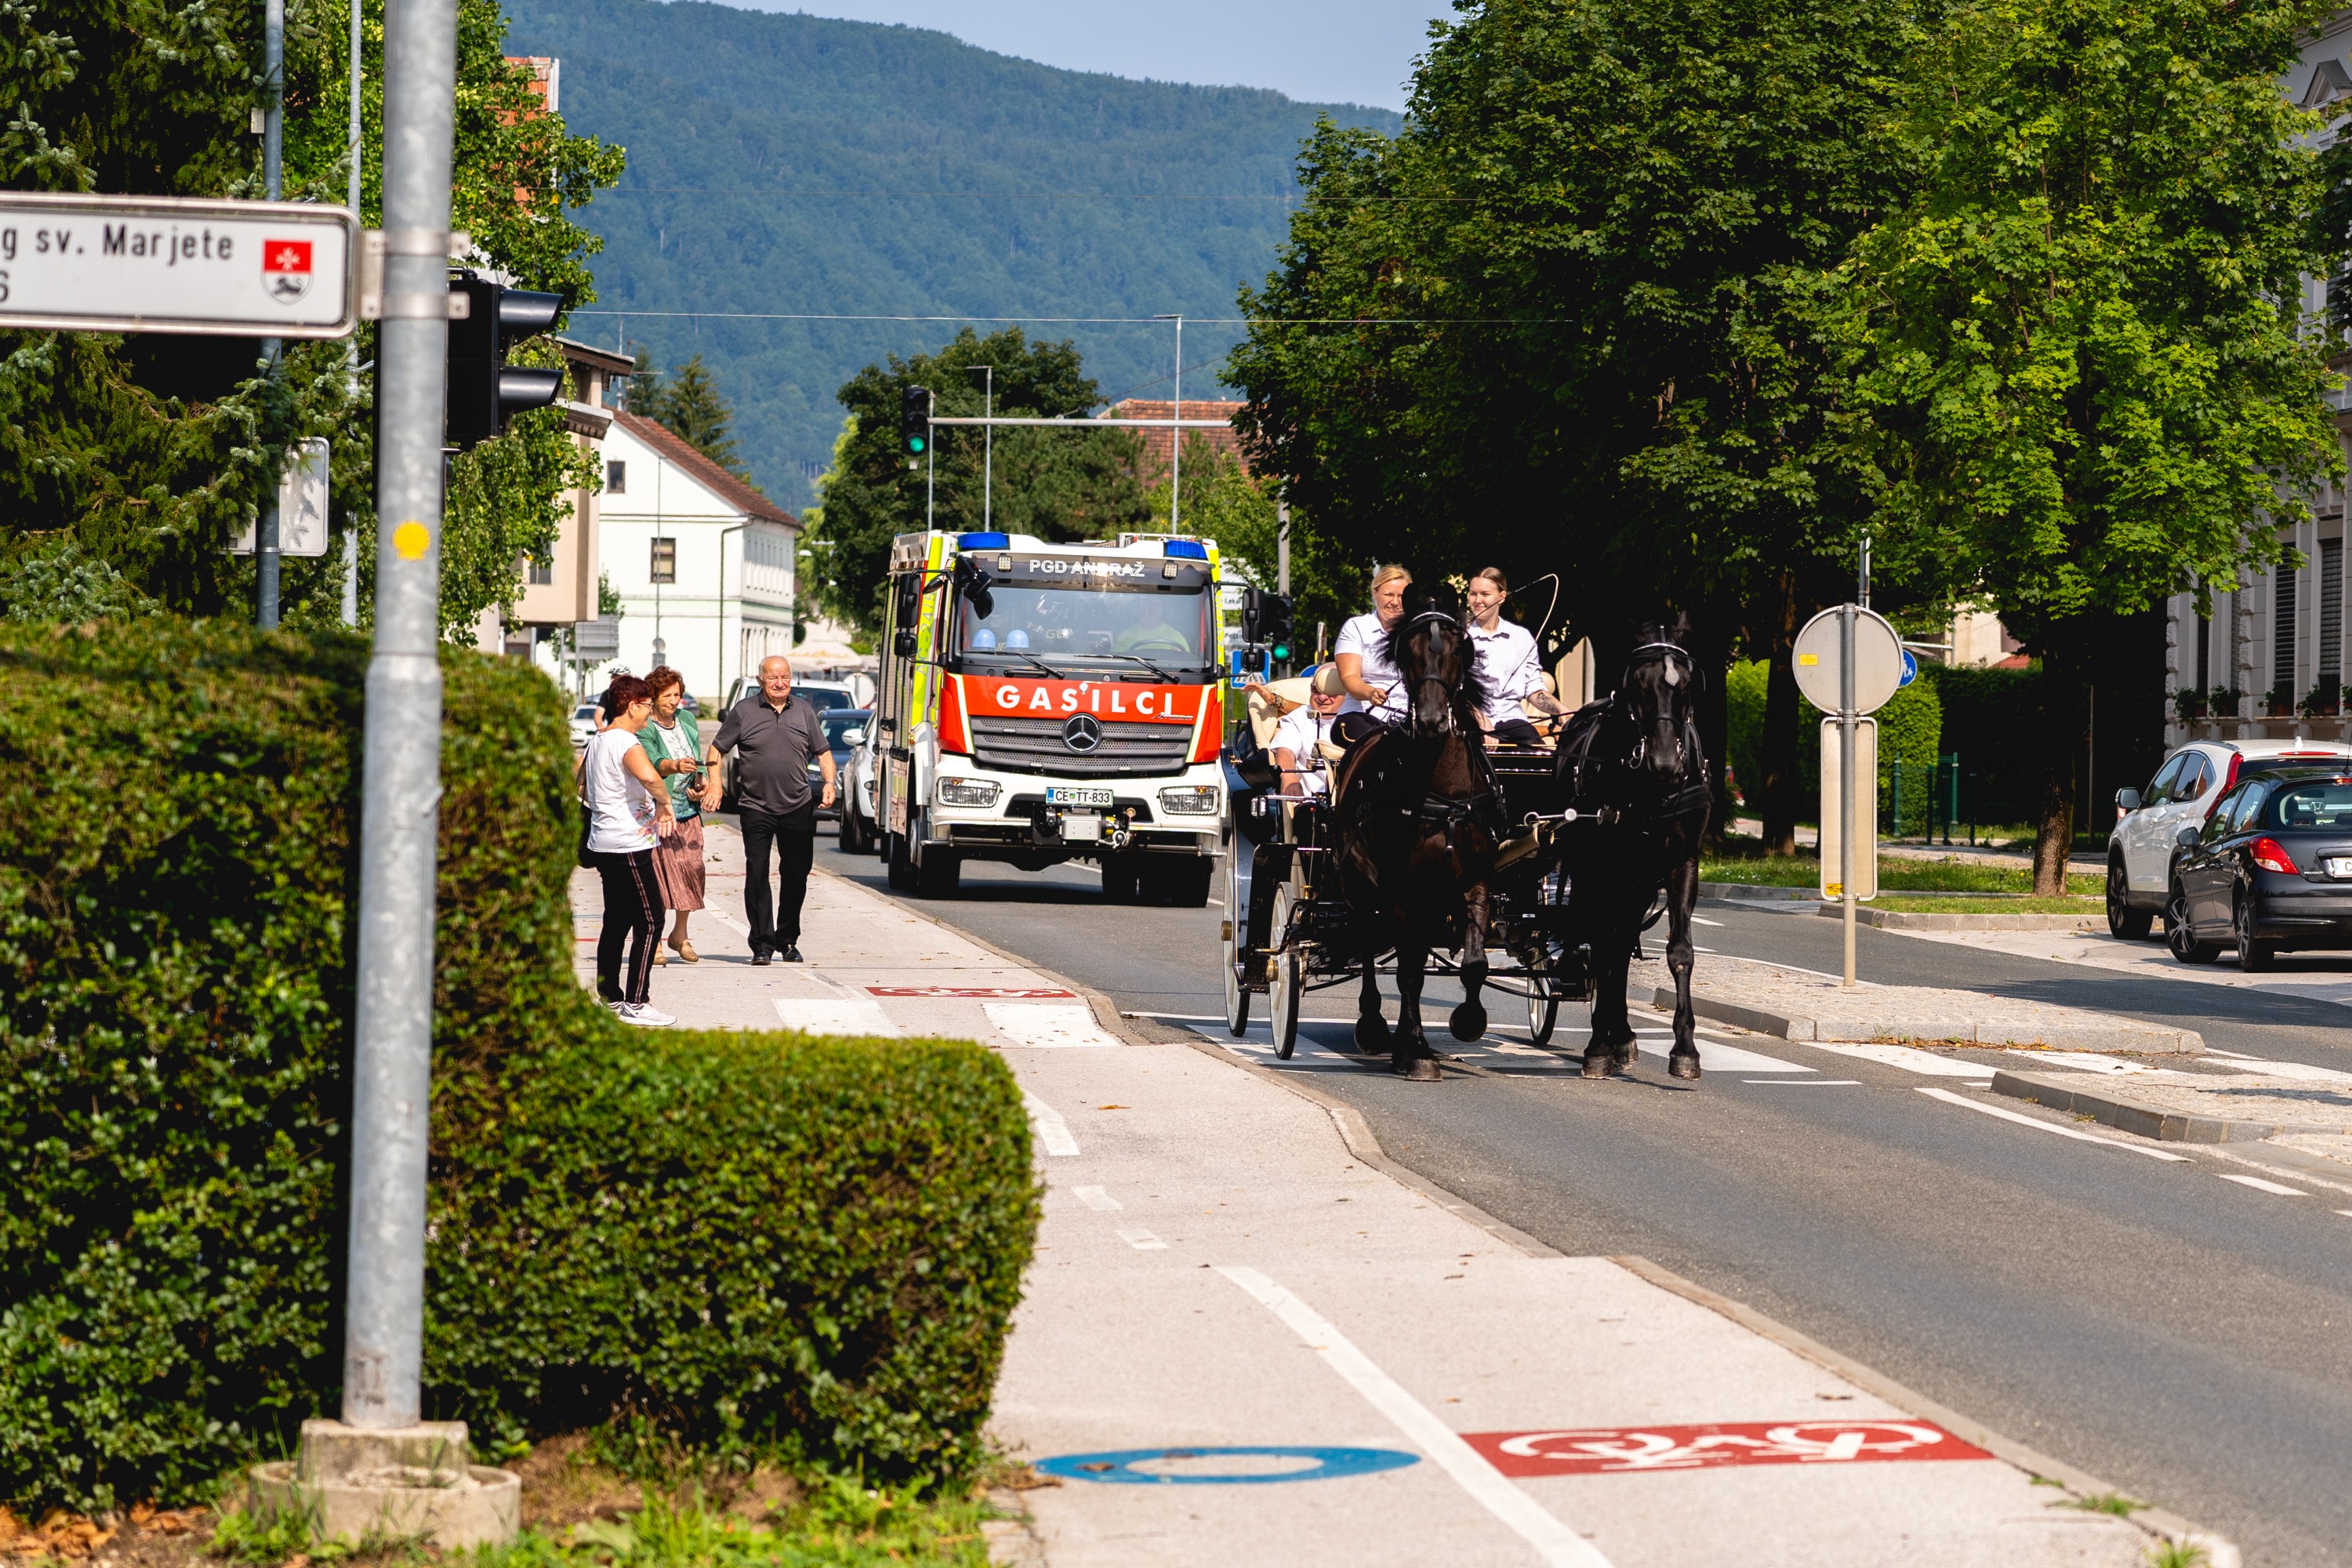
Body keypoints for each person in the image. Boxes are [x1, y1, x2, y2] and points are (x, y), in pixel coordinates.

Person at [706, 655, 835, 964]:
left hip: (797, 805)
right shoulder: (744, 711)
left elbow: (823, 752)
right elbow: (716, 749)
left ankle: (787, 940)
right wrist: (715, 785)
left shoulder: (803, 710)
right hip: (756, 806)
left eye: (785, 677)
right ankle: (762, 945)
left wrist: (830, 782)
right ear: (760, 680)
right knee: (757, 873)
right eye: (773, 677)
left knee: (796, 874)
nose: (780, 683)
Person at [581, 673, 677, 1025]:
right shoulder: (625, 741)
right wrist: (665, 804)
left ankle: (609, 997)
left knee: (616, 920)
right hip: (628, 843)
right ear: (632, 706)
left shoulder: (598, 739)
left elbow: (582, 783)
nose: (650, 712)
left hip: (604, 840)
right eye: (648, 705)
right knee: (652, 919)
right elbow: (650, 777)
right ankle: (637, 1001)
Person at [638, 666, 713, 964]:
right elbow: (652, 760)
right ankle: (654, 940)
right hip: (659, 811)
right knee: (659, 876)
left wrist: (701, 783)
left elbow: (699, 760)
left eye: (677, 695)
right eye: (667, 695)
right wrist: (675, 765)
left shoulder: (688, 720)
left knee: (692, 870)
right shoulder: (644, 725)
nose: (673, 701)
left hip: (688, 811)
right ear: (654, 697)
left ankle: (680, 934)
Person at [1465, 567, 1565, 747]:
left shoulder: (1521, 637)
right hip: (1471, 721)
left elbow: (1533, 689)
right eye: (1473, 594)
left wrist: (1562, 710)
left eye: (1485, 594)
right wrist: (1481, 720)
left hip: (1513, 721)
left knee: (1535, 750)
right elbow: (1455, 691)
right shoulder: (1459, 637)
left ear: (1501, 597)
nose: (1477, 600)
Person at [1331, 564, 1412, 746]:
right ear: (1375, 593)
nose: (1395, 602)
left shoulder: (1418, 632)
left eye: (1401, 596)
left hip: (1410, 716)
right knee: (1384, 743)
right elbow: (1349, 678)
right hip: (1362, 714)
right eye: (1388, 595)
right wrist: (1370, 693)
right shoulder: (1356, 627)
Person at [1270, 666, 1347, 796]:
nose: (1322, 697)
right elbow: (1286, 752)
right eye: (1316, 691)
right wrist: (1289, 779)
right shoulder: (1299, 717)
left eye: (1331, 692)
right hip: (1313, 800)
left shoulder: (1360, 718)